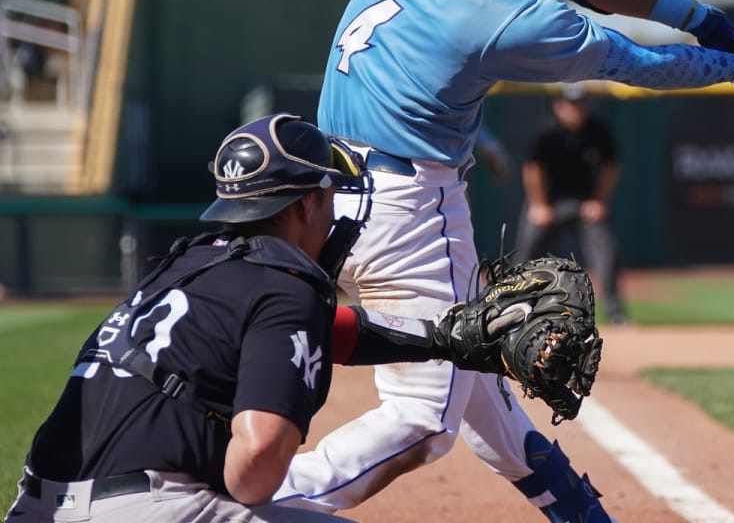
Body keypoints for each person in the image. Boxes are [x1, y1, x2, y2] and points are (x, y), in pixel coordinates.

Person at [281, 0, 734, 521]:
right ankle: (245, 504)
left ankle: (581, 515)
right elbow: (637, 64)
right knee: (424, 422)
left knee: (477, 377)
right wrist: (733, 68)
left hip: (329, 192)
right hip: (408, 208)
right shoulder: (504, 15)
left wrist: (699, 15)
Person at [2, 113, 502, 523]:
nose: (334, 213)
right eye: (330, 196)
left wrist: (443, 339)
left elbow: (323, 336)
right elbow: (257, 466)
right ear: (306, 203)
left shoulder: (186, 266)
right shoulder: (286, 284)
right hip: (143, 511)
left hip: (35, 508)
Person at [516, 85, 625, 324]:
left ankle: (615, 312)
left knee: (606, 250)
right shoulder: (546, 131)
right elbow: (532, 170)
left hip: (584, 202)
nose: (576, 110)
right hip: (549, 201)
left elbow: (610, 167)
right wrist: (539, 205)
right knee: (525, 254)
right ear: (559, 106)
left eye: (580, 104)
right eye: (571, 104)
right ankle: (514, 308)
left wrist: (599, 201)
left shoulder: (597, 130)